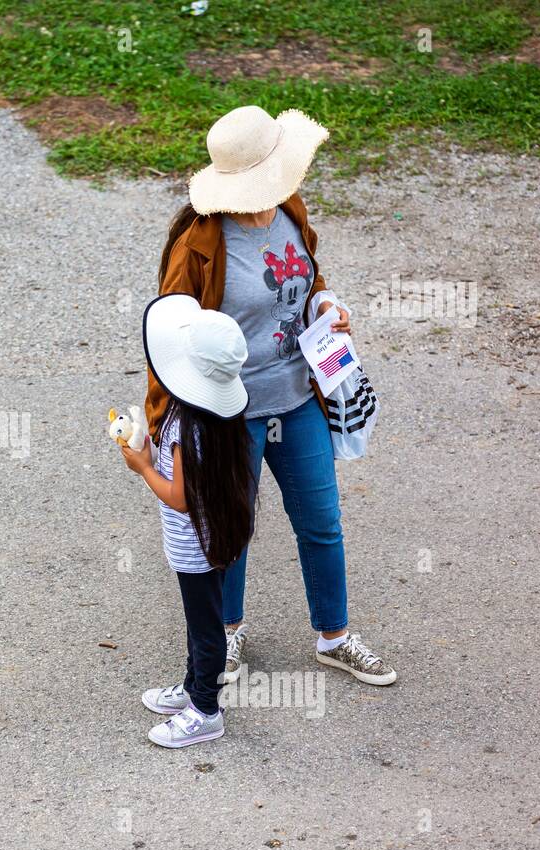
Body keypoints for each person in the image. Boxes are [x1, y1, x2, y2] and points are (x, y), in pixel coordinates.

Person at [145, 105, 396, 687]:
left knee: (322, 522)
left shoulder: (289, 211)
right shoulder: (199, 243)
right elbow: (170, 337)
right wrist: (165, 422)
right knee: (231, 528)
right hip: (231, 413)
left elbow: (311, 282)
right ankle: (228, 635)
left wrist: (327, 309)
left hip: (297, 395)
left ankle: (335, 637)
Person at [121, 295, 255, 748]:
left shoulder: (184, 428)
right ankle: (193, 686)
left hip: (194, 543)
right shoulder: (217, 415)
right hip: (216, 532)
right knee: (201, 620)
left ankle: (205, 709)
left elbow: (179, 498)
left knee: (205, 626)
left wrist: (142, 466)